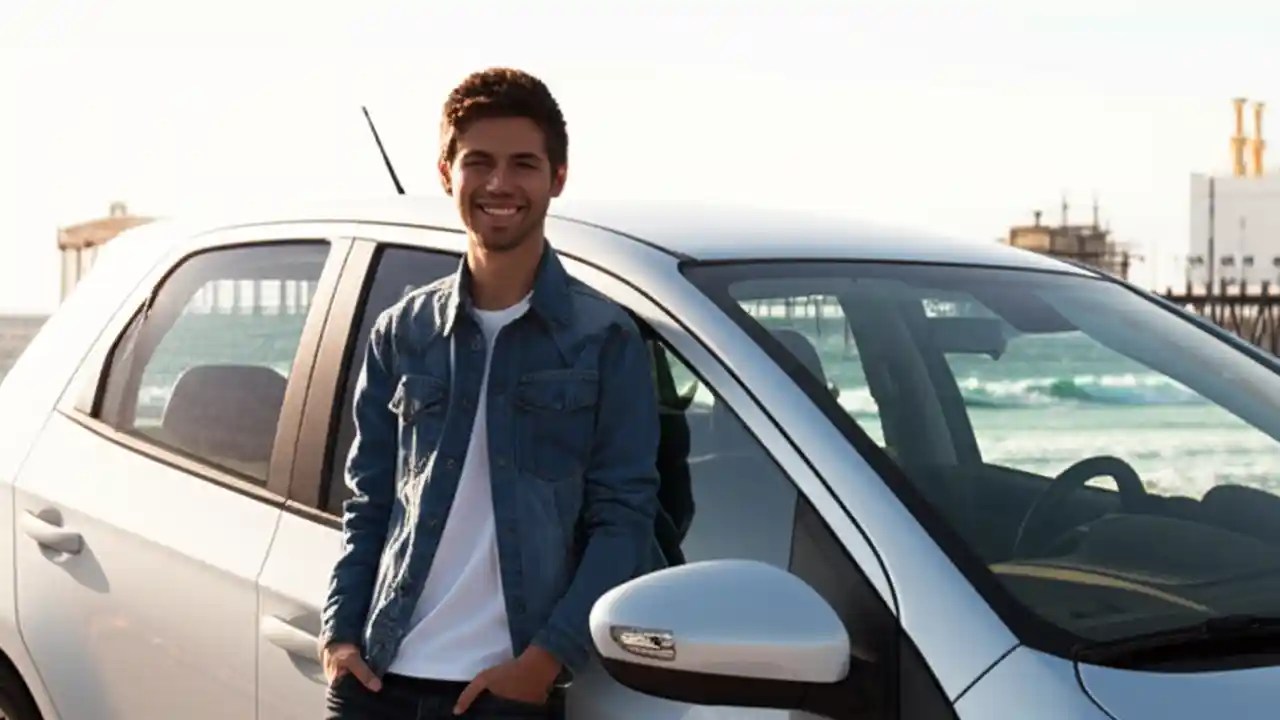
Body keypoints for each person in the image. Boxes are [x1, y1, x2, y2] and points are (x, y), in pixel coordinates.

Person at [318, 67, 663, 719]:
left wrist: (543, 662)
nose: (500, 184)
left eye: (523, 164)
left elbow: (623, 518)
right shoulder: (403, 332)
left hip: (504, 692)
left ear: (557, 177)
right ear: (447, 172)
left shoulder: (605, 340)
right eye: (479, 162)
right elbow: (370, 500)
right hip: (376, 682)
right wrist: (340, 636)